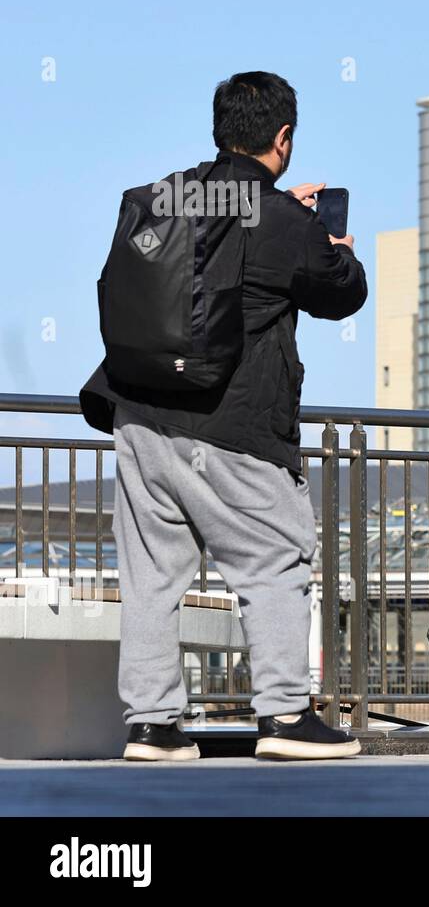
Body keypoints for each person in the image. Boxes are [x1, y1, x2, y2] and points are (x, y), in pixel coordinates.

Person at [81, 71, 368, 761]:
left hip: (139, 420)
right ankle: (285, 718)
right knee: (273, 561)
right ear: (284, 138)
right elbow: (343, 295)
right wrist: (326, 243)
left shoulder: (168, 197)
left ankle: (151, 726)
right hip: (232, 428)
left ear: (219, 130)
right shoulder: (285, 222)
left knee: (151, 576)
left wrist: (278, 211)